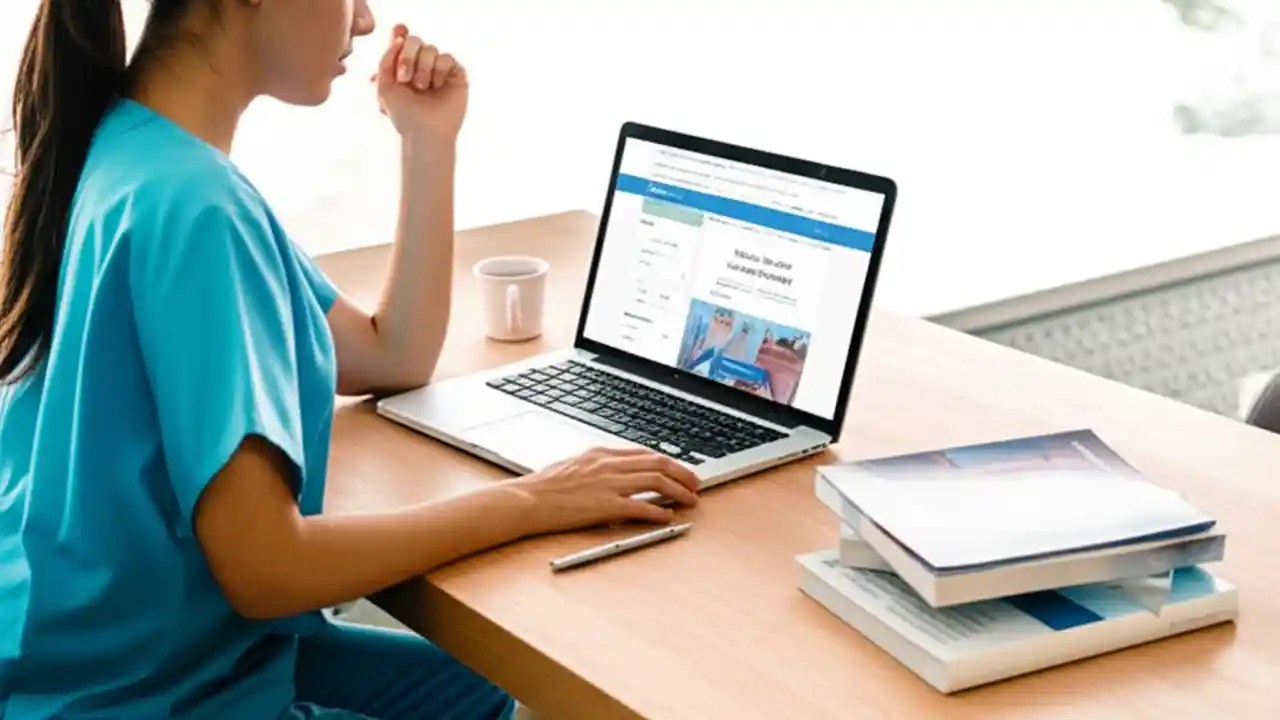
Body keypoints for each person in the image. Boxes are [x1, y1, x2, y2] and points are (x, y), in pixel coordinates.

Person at [0, 1, 700, 718]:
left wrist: (427, 143)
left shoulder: (129, 145)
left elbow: (391, 352)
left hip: (93, 660)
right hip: (143, 696)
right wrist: (530, 501)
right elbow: (267, 569)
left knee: (490, 688)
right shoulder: (199, 206)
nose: (364, 21)